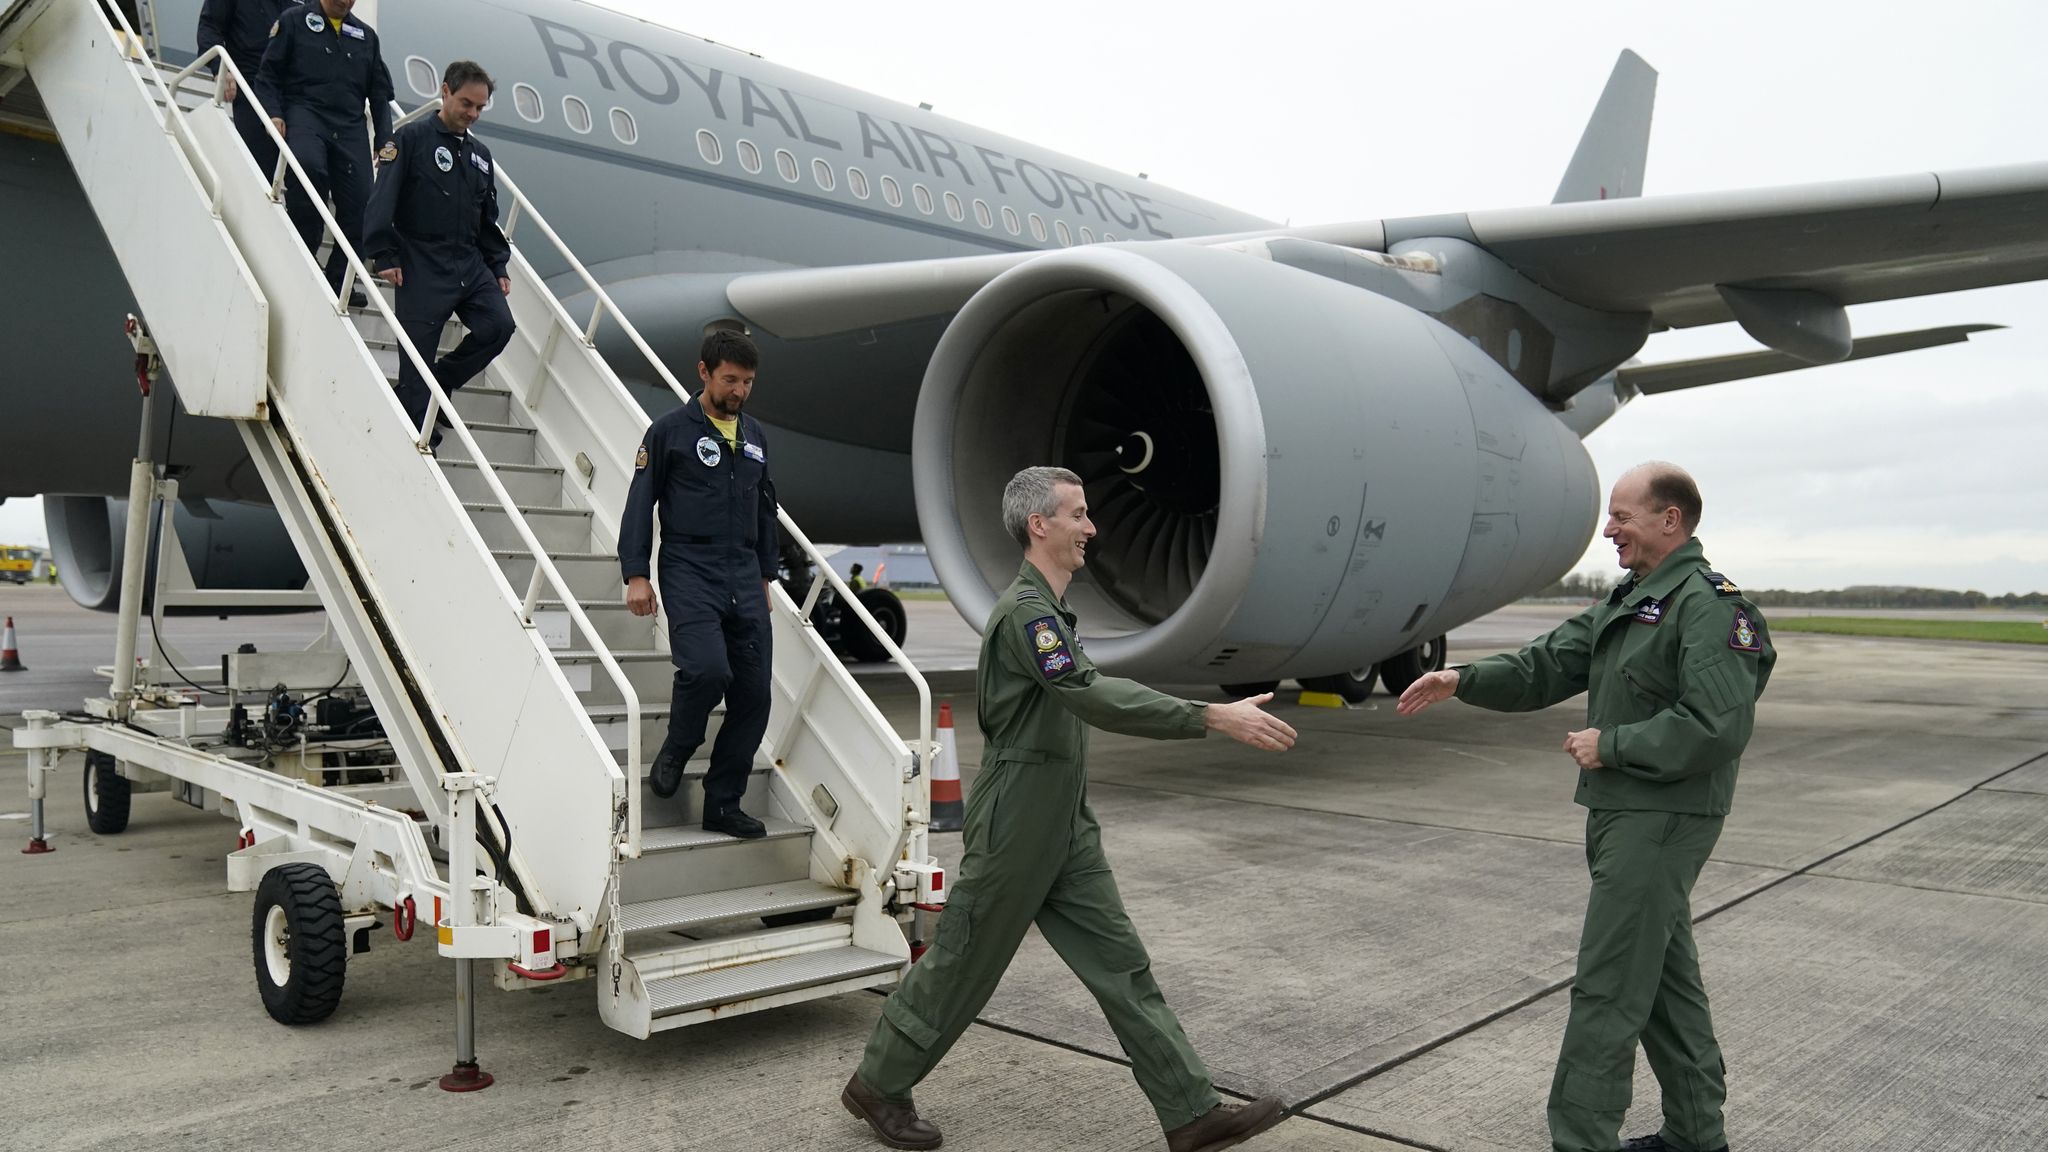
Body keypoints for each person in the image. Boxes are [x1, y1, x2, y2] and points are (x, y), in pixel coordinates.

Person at [842, 466, 1297, 1152]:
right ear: (1040, 525)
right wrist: (1207, 716)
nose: (1091, 527)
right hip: (1019, 820)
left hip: (1064, 823)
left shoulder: (1051, 613)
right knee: (963, 963)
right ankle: (878, 1083)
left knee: (1122, 965)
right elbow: (1088, 694)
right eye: (1079, 514)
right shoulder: (1027, 614)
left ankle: (1190, 1110)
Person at [1396, 462, 1773, 1152]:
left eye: (1623, 517)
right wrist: (1463, 678)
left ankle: (1581, 1139)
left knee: (1606, 992)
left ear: (1671, 520)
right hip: (1625, 814)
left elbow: (1719, 725)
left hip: (1662, 818)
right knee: (1660, 979)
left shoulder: (1709, 605)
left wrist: (1615, 744)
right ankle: (1696, 1135)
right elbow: (1551, 661)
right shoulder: (1636, 598)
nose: (1609, 530)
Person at [620, 331, 778, 840]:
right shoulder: (669, 431)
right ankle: (678, 746)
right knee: (707, 669)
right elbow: (641, 500)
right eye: (730, 379)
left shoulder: (754, 435)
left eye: (748, 382)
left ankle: (723, 803)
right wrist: (636, 573)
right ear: (704, 372)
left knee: (754, 696)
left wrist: (766, 575)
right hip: (689, 564)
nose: (739, 391)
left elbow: (764, 508)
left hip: (744, 570)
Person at [364, 60, 514, 446]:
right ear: (445, 91)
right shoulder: (410, 139)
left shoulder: (480, 154)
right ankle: (421, 443)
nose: (473, 114)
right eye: (466, 103)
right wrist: (385, 253)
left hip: (469, 261)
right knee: (415, 364)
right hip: (421, 260)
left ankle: (442, 380)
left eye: (480, 108)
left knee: (499, 326)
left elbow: (487, 218)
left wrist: (497, 264)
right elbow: (384, 197)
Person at [254, 0, 393, 299]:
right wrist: (273, 114)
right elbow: (267, 76)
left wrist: (386, 143)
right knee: (307, 167)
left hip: (350, 126)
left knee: (364, 203)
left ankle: (340, 277)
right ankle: (304, 253)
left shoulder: (366, 36)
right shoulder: (293, 21)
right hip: (305, 113)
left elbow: (380, 97)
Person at [195, 0, 290, 176]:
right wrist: (221, 68)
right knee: (259, 170)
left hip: (296, 93)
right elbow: (210, 27)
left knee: (306, 171)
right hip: (251, 85)